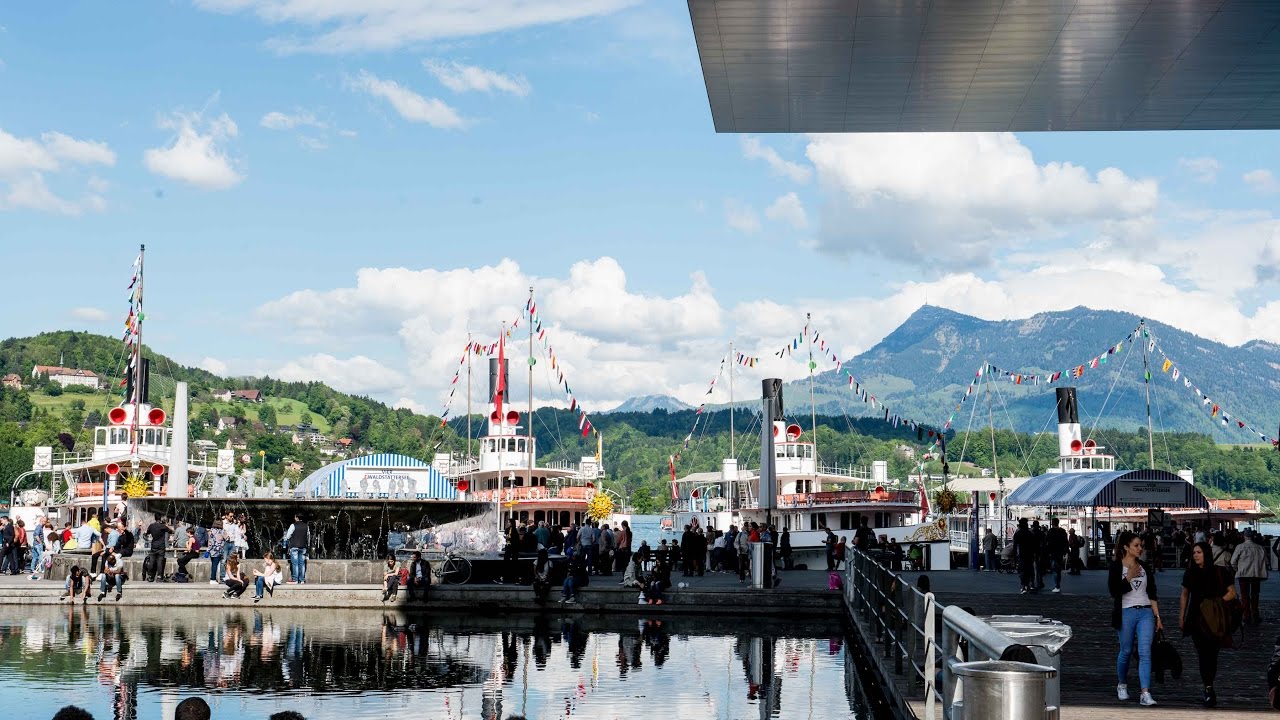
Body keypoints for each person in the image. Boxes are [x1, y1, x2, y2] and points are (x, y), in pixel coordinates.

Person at [1109, 530, 1162, 707]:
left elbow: (1152, 592)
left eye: (1141, 545)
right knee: (1126, 650)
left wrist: (1157, 616)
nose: (1140, 548)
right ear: (1126, 547)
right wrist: (1129, 577)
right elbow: (1114, 591)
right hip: (1125, 611)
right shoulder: (1117, 566)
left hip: (1145, 611)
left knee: (1145, 651)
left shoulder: (1145, 566)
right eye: (1136, 545)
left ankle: (1145, 692)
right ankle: (1122, 683)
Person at [1181, 540, 1237, 707]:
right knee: (1203, 653)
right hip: (1196, 619)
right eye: (1194, 553)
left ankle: (1208, 686)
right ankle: (1208, 687)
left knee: (1211, 654)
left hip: (1215, 620)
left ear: (1207, 553)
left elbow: (1232, 593)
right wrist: (1181, 617)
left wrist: (1215, 604)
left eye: (1199, 552)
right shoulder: (1190, 573)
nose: (1195, 555)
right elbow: (1185, 595)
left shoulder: (1220, 571)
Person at [1231, 530, 1268, 625]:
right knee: (1255, 595)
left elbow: (1233, 561)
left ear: (1244, 536)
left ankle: (1247, 615)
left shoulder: (1240, 547)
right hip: (1256, 574)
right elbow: (1266, 562)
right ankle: (1255, 614)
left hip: (1243, 574)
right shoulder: (1260, 547)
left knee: (1244, 595)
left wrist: (1237, 569)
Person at [143, 515, 173, 582]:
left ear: (155, 518)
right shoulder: (162, 526)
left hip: (154, 546)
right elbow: (171, 531)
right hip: (161, 546)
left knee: (152, 561)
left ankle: (150, 576)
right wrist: (166, 525)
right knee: (160, 561)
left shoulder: (151, 526)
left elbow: (147, 533)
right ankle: (159, 577)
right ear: (161, 519)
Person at [284, 514, 309, 584]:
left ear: (296, 518)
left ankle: (295, 579)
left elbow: (288, 536)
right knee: (302, 563)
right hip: (303, 546)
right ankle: (302, 580)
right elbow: (307, 536)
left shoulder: (293, 525)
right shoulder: (306, 526)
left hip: (294, 546)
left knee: (295, 563)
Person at [1047, 518, 1069, 592]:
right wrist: (1065, 551)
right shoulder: (1062, 531)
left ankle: (1057, 586)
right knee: (1058, 569)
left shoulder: (1051, 531)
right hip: (1060, 552)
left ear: (1052, 523)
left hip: (1053, 552)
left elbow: (1047, 541)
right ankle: (1057, 585)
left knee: (1055, 569)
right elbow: (1066, 542)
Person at [207, 520, 225, 585]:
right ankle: (213, 579)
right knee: (216, 565)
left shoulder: (211, 531)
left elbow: (209, 541)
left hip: (212, 550)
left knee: (213, 565)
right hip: (218, 550)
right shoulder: (222, 531)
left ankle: (213, 578)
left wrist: (208, 549)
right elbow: (227, 538)